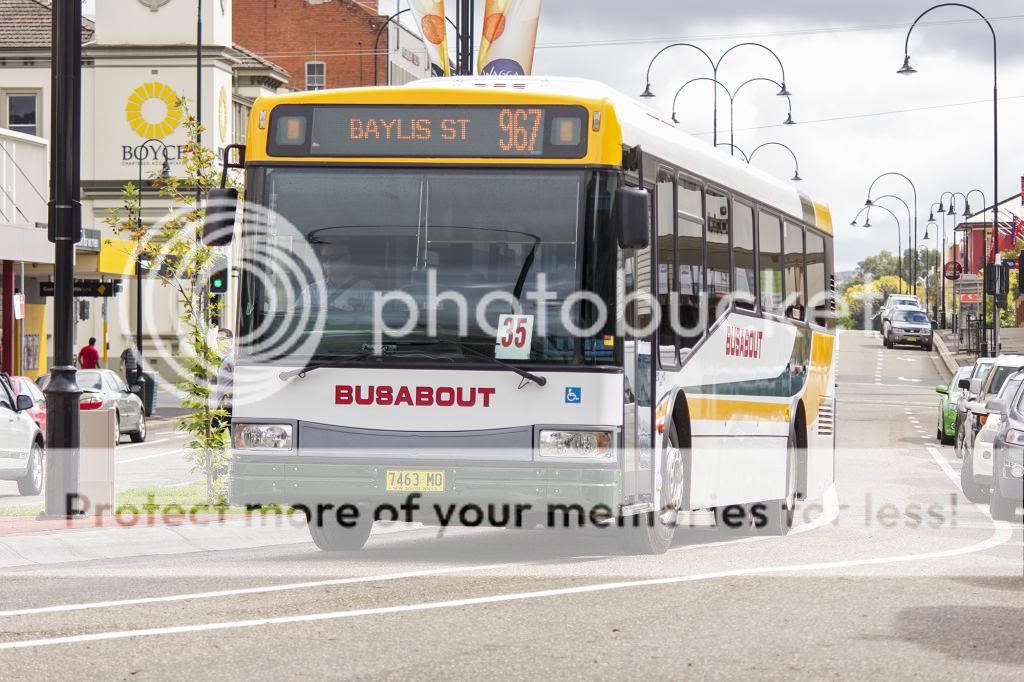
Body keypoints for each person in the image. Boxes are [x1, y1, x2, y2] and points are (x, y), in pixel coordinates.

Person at [293, 240, 377, 312]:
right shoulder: (312, 290)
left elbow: (371, 319)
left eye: (334, 257)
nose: (329, 262)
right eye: (325, 258)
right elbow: (296, 317)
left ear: (349, 258)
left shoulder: (365, 288)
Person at [213, 328, 234, 415]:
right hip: (222, 403)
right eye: (217, 339)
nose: (219, 342)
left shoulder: (232, 358)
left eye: (222, 339)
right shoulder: (225, 357)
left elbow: (240, 380)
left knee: (217, 422)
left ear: (230, 340)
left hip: (228, 403)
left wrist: (227, 396)